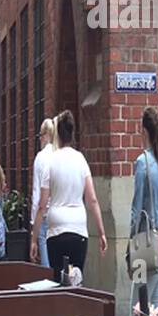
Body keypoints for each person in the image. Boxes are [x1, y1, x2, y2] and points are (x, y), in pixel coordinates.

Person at [30, 110, 108, 283]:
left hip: (56, 229)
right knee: (76, 278)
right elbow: (92, 199)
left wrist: (34, 239)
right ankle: (76, 304)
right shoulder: (81, 160)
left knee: (57, 279)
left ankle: (60, 306)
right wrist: (102, 232)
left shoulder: (50, 162)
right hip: (78, 228)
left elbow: (42, 206)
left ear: (57, 133)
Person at [129, 107, 158, 316]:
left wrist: (130, 244)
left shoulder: (142, 162)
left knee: (136, 312)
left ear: (144, 132)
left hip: (146, 247)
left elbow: (137, 211)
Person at [30, 118, 56, 268]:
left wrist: (34, 225)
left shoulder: (40, 158)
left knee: (47, 267)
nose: (40, 138)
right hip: (59, 214)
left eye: (41, 135)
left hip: (44, 216)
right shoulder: (60, 155)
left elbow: (37, 195)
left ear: (47, 135)